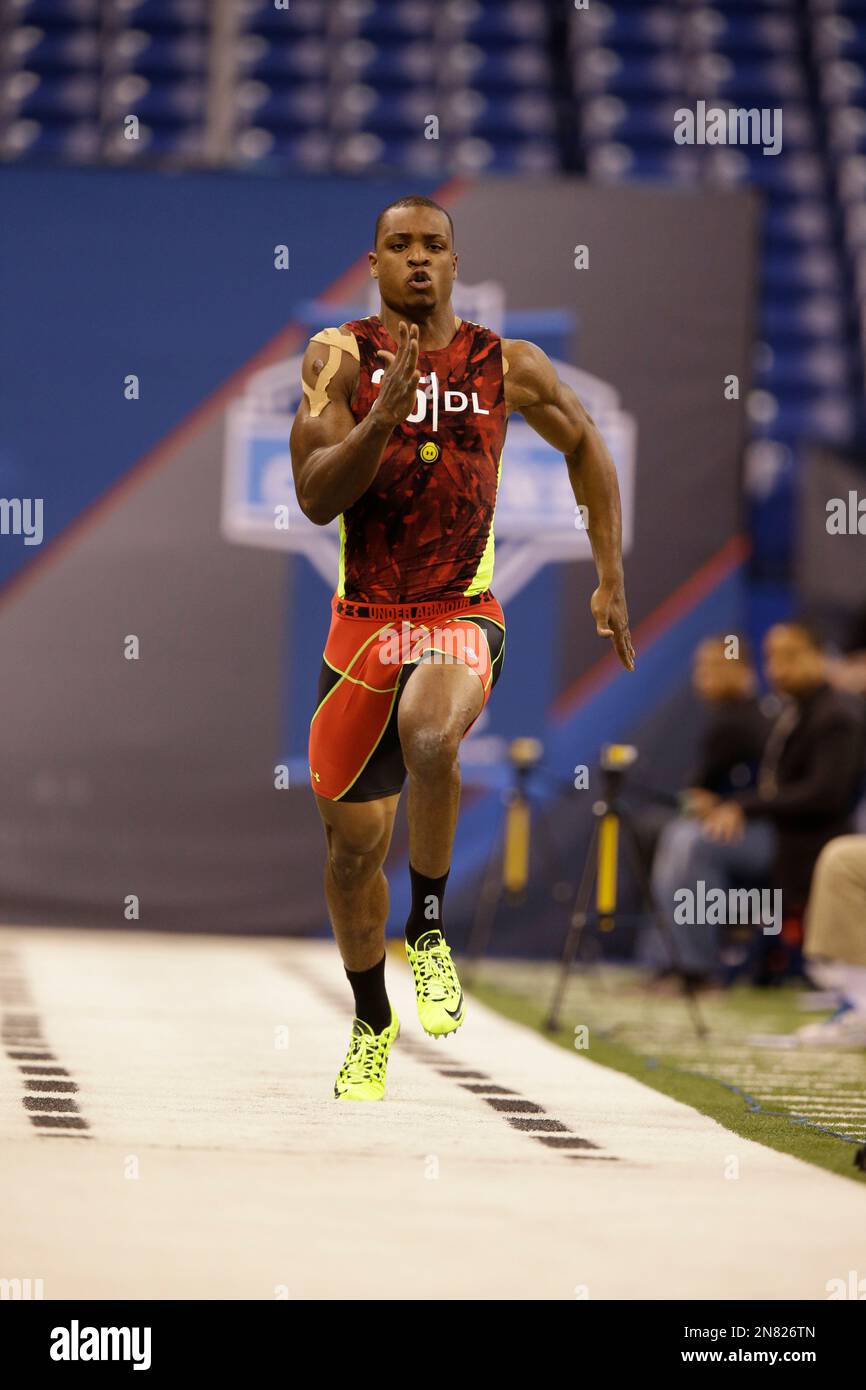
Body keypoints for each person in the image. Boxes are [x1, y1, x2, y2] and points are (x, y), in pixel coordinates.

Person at [289, 195, 634, 1099]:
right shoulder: (341, 357)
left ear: (454, 261)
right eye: (398, 246)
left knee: (433, 735)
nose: (416, 260)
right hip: (364, 623)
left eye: (432, 246)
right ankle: (371, 1023)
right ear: (373, 264)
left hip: (457, 609)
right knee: (352, 854)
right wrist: (378, 419)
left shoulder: (505, 362)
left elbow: (585, 441)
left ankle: (431, 926)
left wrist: (609, 573)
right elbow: (317, 497)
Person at [653, 621, 866, 987]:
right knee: (681, 832)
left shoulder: (837, 716)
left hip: (805, 843)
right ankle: (672, 962)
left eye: (791, 657)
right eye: (772, 658)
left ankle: (698, 970)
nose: (779, 669)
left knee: (697, 844)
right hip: (780, 834)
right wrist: (728, 806)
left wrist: (743, 807)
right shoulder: (793, 711)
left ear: (820, 658)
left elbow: (824, 794)